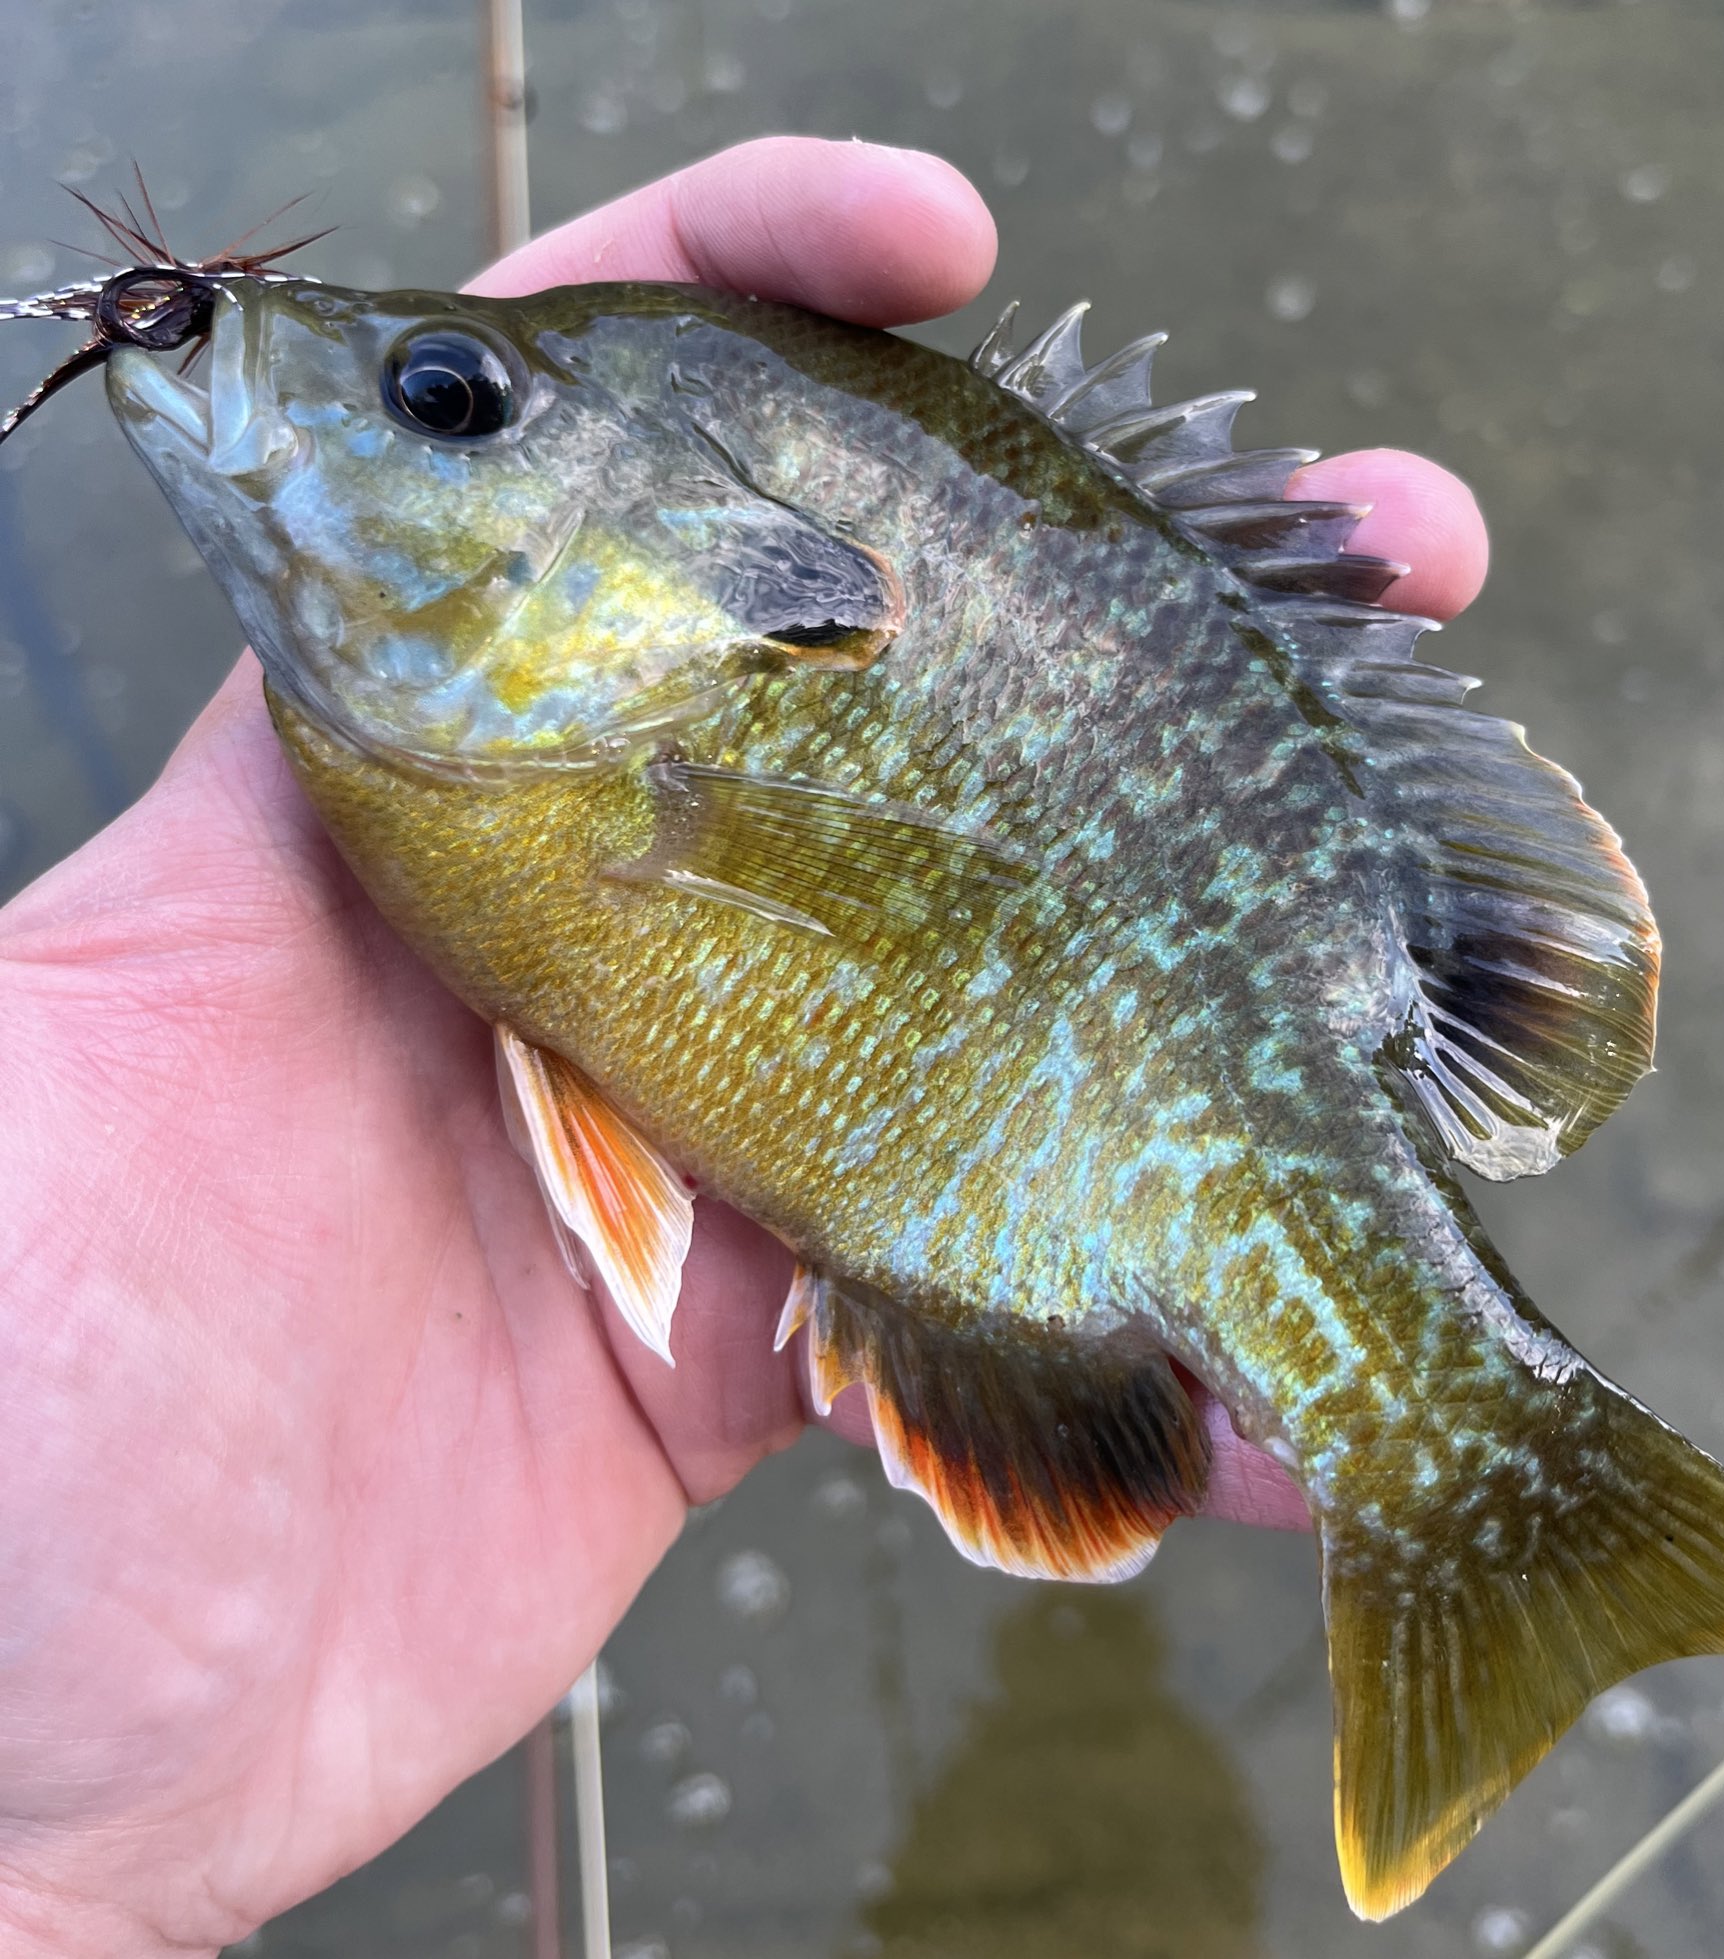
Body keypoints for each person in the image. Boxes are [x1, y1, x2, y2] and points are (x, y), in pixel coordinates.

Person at [0, 137, 1488, 1957]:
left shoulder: (494, 753)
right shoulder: (445, 751)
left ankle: (1492, 1478)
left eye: (447, 401)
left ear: (740, 574)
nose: (321, 393)